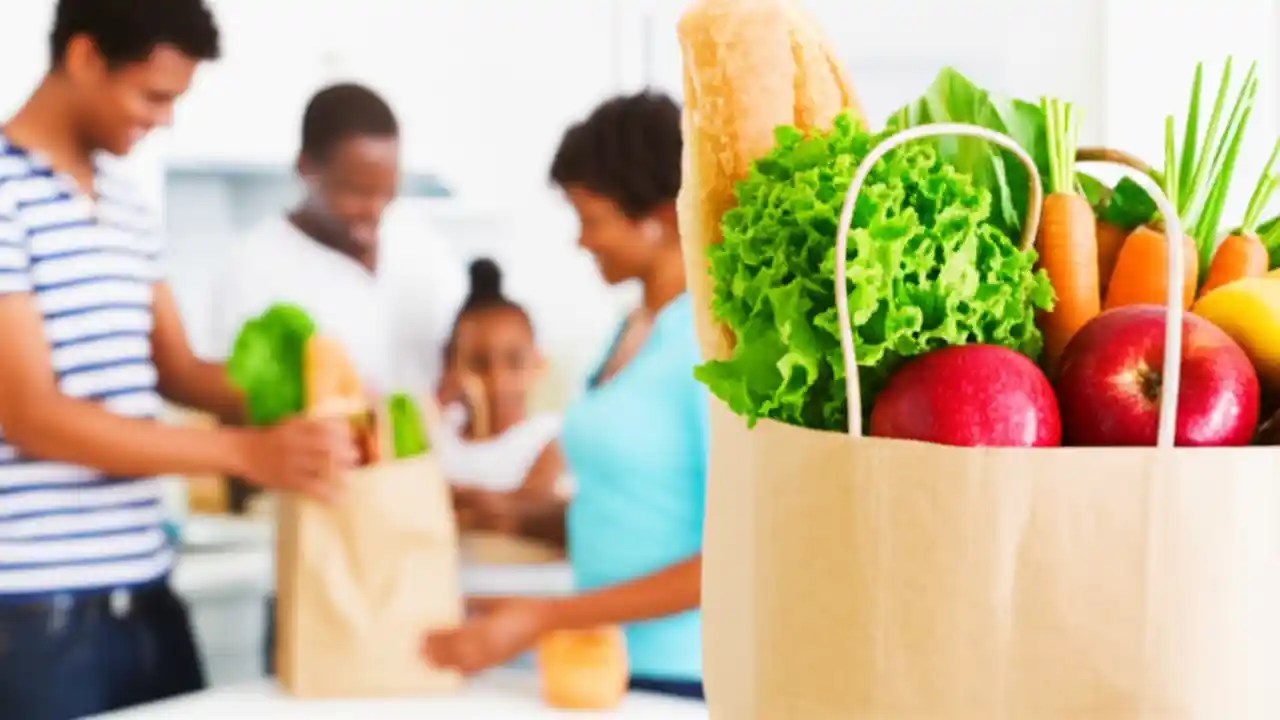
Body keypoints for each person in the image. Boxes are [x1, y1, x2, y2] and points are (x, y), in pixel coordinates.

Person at [0, 3, 356, 719]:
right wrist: (244, 454)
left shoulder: (126, 201)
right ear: (84, 58)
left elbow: (179, 370)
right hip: (34, 612)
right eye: (152, 95)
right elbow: (29, 414)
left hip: (148, 596)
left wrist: (311, 395)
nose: (163, 120)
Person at [426, 91, 707, 700]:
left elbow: (732, 559)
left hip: (686, 676)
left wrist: (545, 617)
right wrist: (513, 514)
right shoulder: (631, 331)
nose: (582, 241)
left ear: (656, 216)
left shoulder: (708, 346)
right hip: (611, 667)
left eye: (591, 217)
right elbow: (633, 508)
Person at [208, 83, 403, 394]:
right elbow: (238, 401)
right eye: (357, 192)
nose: (375, 210)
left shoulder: (419, 245)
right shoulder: (253, 268)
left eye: (388, 191)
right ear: (306, 168)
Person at [435, 258, 563, 501]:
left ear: (539, 364)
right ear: (450, 366)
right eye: (478, 363)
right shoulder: (435, 438)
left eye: (514, 362)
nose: (497, 380)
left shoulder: (551, 439)